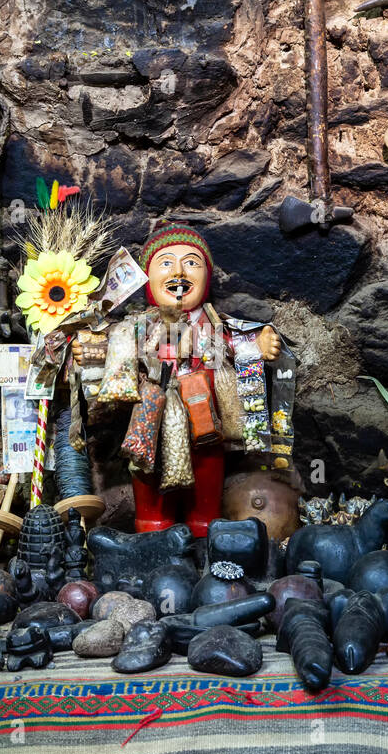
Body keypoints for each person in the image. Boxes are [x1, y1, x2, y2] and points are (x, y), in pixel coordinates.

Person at [74, 223, 282, 537]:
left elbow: (235, 346)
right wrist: (88, 352)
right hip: (152, 423)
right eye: (166, 263)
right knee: (149, 479)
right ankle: (153, 530)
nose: (179, 273)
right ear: (148, 280)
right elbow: (109, 355)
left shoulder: (215, 327)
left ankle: (204, 532)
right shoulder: (136, 328)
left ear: (206, 278)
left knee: (206, 484)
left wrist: (258, 346)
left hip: (206, 425)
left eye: (192, 263)